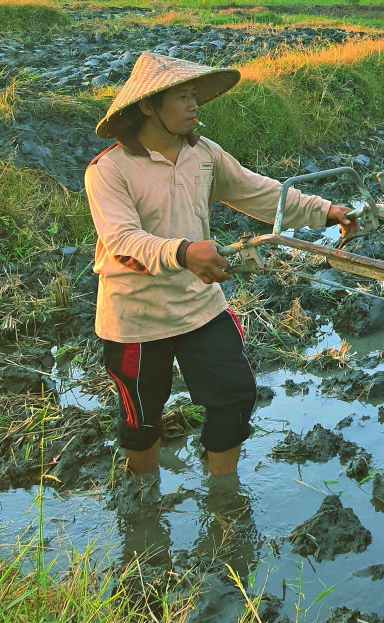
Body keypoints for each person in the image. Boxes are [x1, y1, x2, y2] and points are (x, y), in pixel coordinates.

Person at [85, 52, 357, 477]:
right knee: (142, 419)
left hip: (198, 304)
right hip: (134, 317)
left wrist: (326, 210)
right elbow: (121, 240)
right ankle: (144, 502)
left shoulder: (204, 154)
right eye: (183, 96)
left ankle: (224, 495)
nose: (195, 105)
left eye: (196, 95)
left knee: (234, 396)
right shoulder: (109, 170)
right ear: (148, 105)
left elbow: (260, 193)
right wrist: (184, 252)